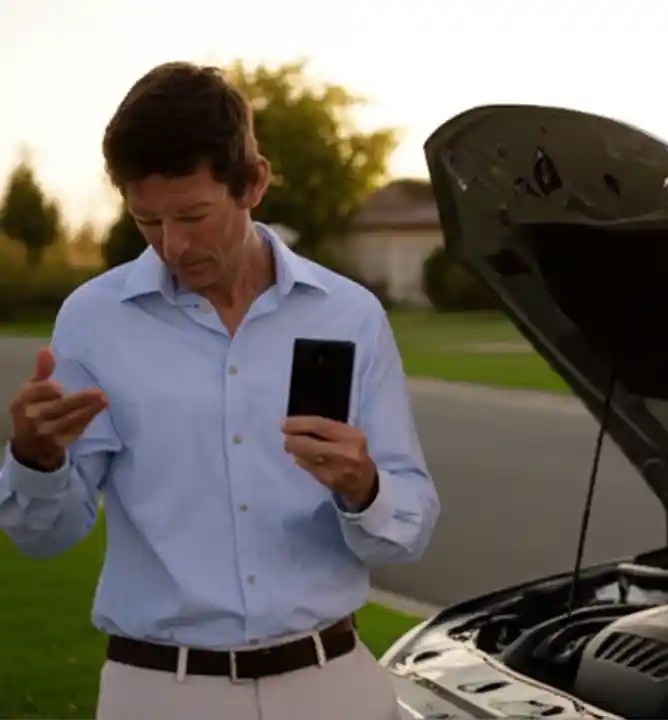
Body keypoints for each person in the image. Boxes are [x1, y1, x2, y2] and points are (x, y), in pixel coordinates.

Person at [0, 61, 440, 719]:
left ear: (252, 182)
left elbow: (406, 531)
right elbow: (47, 537)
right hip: (156, 692)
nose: (173, 246)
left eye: (193, 215)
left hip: (333, 685)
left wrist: (364, 487)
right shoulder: (93, 321)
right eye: (147, 221)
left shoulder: (349, 315)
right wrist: (35, 461)